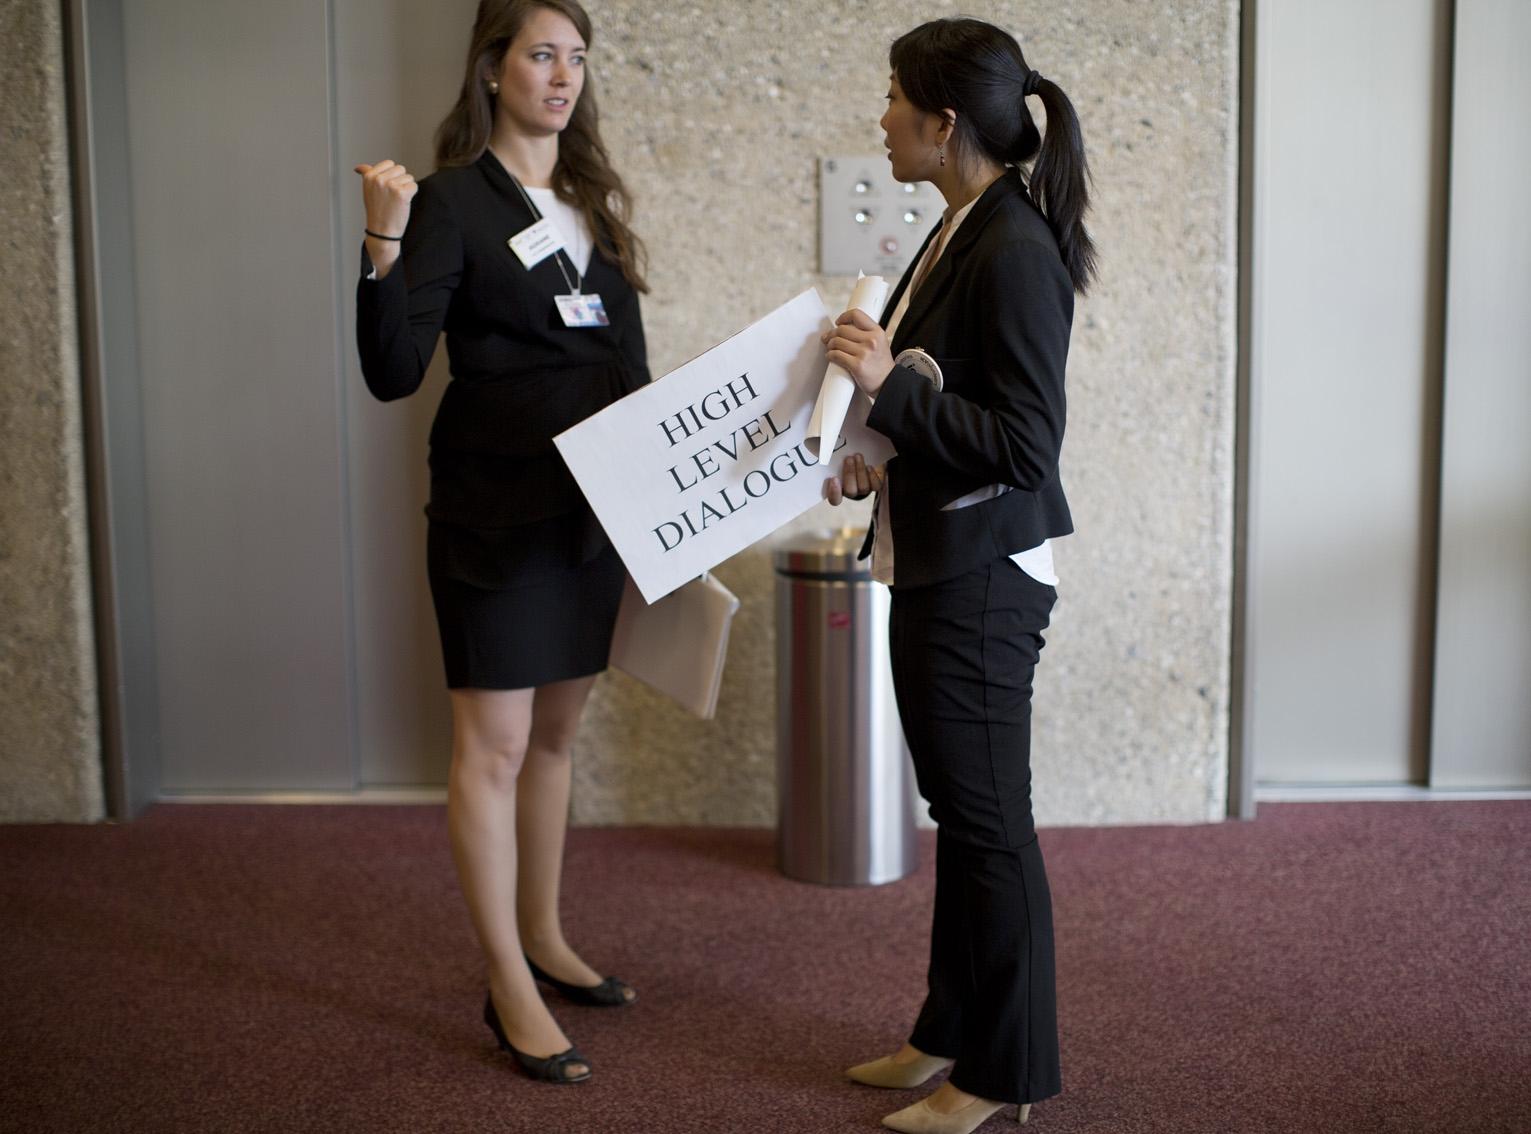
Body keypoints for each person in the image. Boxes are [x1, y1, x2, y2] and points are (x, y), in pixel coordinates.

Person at [353, 0, 649, 1085]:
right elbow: (393, 370)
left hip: (592, 514)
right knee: (495, 747)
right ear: (491, 69)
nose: (562, 76)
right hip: (495, 512)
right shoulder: (448, 203)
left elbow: (634, 369)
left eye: (576, 57)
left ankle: (546, 935)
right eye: (540, 54)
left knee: (558, 739)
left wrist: (669, 510)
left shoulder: (591, 203)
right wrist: (383, 238)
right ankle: (505, 981)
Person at [822, 17, 1097, 1134]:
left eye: (894, 101)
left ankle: (1003, 1074)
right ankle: (947, 1031)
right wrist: (870, 449)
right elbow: (943, 398)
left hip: (986, 580)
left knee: (989, 825)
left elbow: (1028, 444)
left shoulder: (1014, 247)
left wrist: (890, 393)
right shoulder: (960, 228)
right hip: (939, 560)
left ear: (942, 125)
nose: (881, 120)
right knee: (962, 810)